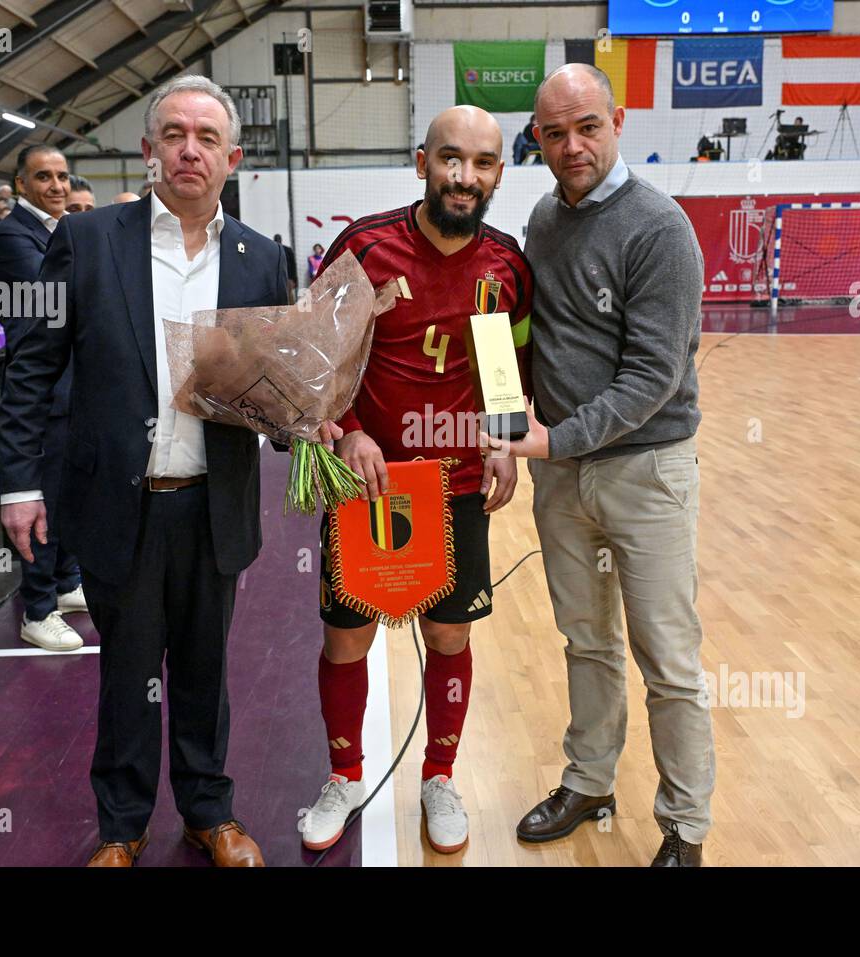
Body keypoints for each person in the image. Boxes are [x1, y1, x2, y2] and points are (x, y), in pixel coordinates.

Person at [0, 74, 298, 868]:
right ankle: (121, 827)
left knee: (205, 670)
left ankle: (210, 811)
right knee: (128, 676)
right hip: (119, 503)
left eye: (206, 138)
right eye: (173, 133)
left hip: (214, 503)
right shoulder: (86, 240)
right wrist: (21, 485)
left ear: (232, 157)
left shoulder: (263, 261)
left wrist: (307, 416)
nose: (189, 149)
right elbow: (30, 367)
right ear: (148, 150)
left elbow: (274, 390)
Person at [493, 63, 713, 868]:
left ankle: (686, 827)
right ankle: (589, 780)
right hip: (562, 475)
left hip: (644, 471)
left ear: (617, 121)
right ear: (539, 140)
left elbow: (654, 377)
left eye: (587, 126)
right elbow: (526, 343)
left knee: (668, 658)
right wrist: (513, 434)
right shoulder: (545, 219)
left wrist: (550, 441)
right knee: (586, 640)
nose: (572, 145)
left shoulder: (660, 228)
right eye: (554, 133)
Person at [296, 105, 531, 857]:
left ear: (498, 172)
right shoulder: (363, 248)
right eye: (451, 159)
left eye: (483, 163)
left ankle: (439, 776)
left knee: (450, 631)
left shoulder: (506, 262)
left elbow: (503, 360)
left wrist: (503, 439)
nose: (465, 176)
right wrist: (352, 427)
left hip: (458, 483)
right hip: (366, 484)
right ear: (421, 160)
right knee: (348, 637)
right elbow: (316, 358)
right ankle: (343, 774)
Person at [0, 143, 83, 654]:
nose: (57, 186)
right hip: (39, 386)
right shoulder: (10, 236)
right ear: (21, 184)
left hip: (69, 383)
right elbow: (50, 304)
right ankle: (38, 608)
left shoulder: (54, 230)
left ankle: (66, 583)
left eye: (63, 176)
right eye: (43, 177)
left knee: (66, 494)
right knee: (39, 496)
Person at [272, 233, 297, 302]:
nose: (278, 240)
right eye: (276, 239)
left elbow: (293, 265)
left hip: (288, 277)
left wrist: (294, 279)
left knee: (289, 296)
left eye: (278, 239)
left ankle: (291, 311)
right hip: (276, 277)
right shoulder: (272, 250)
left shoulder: (288, 250)